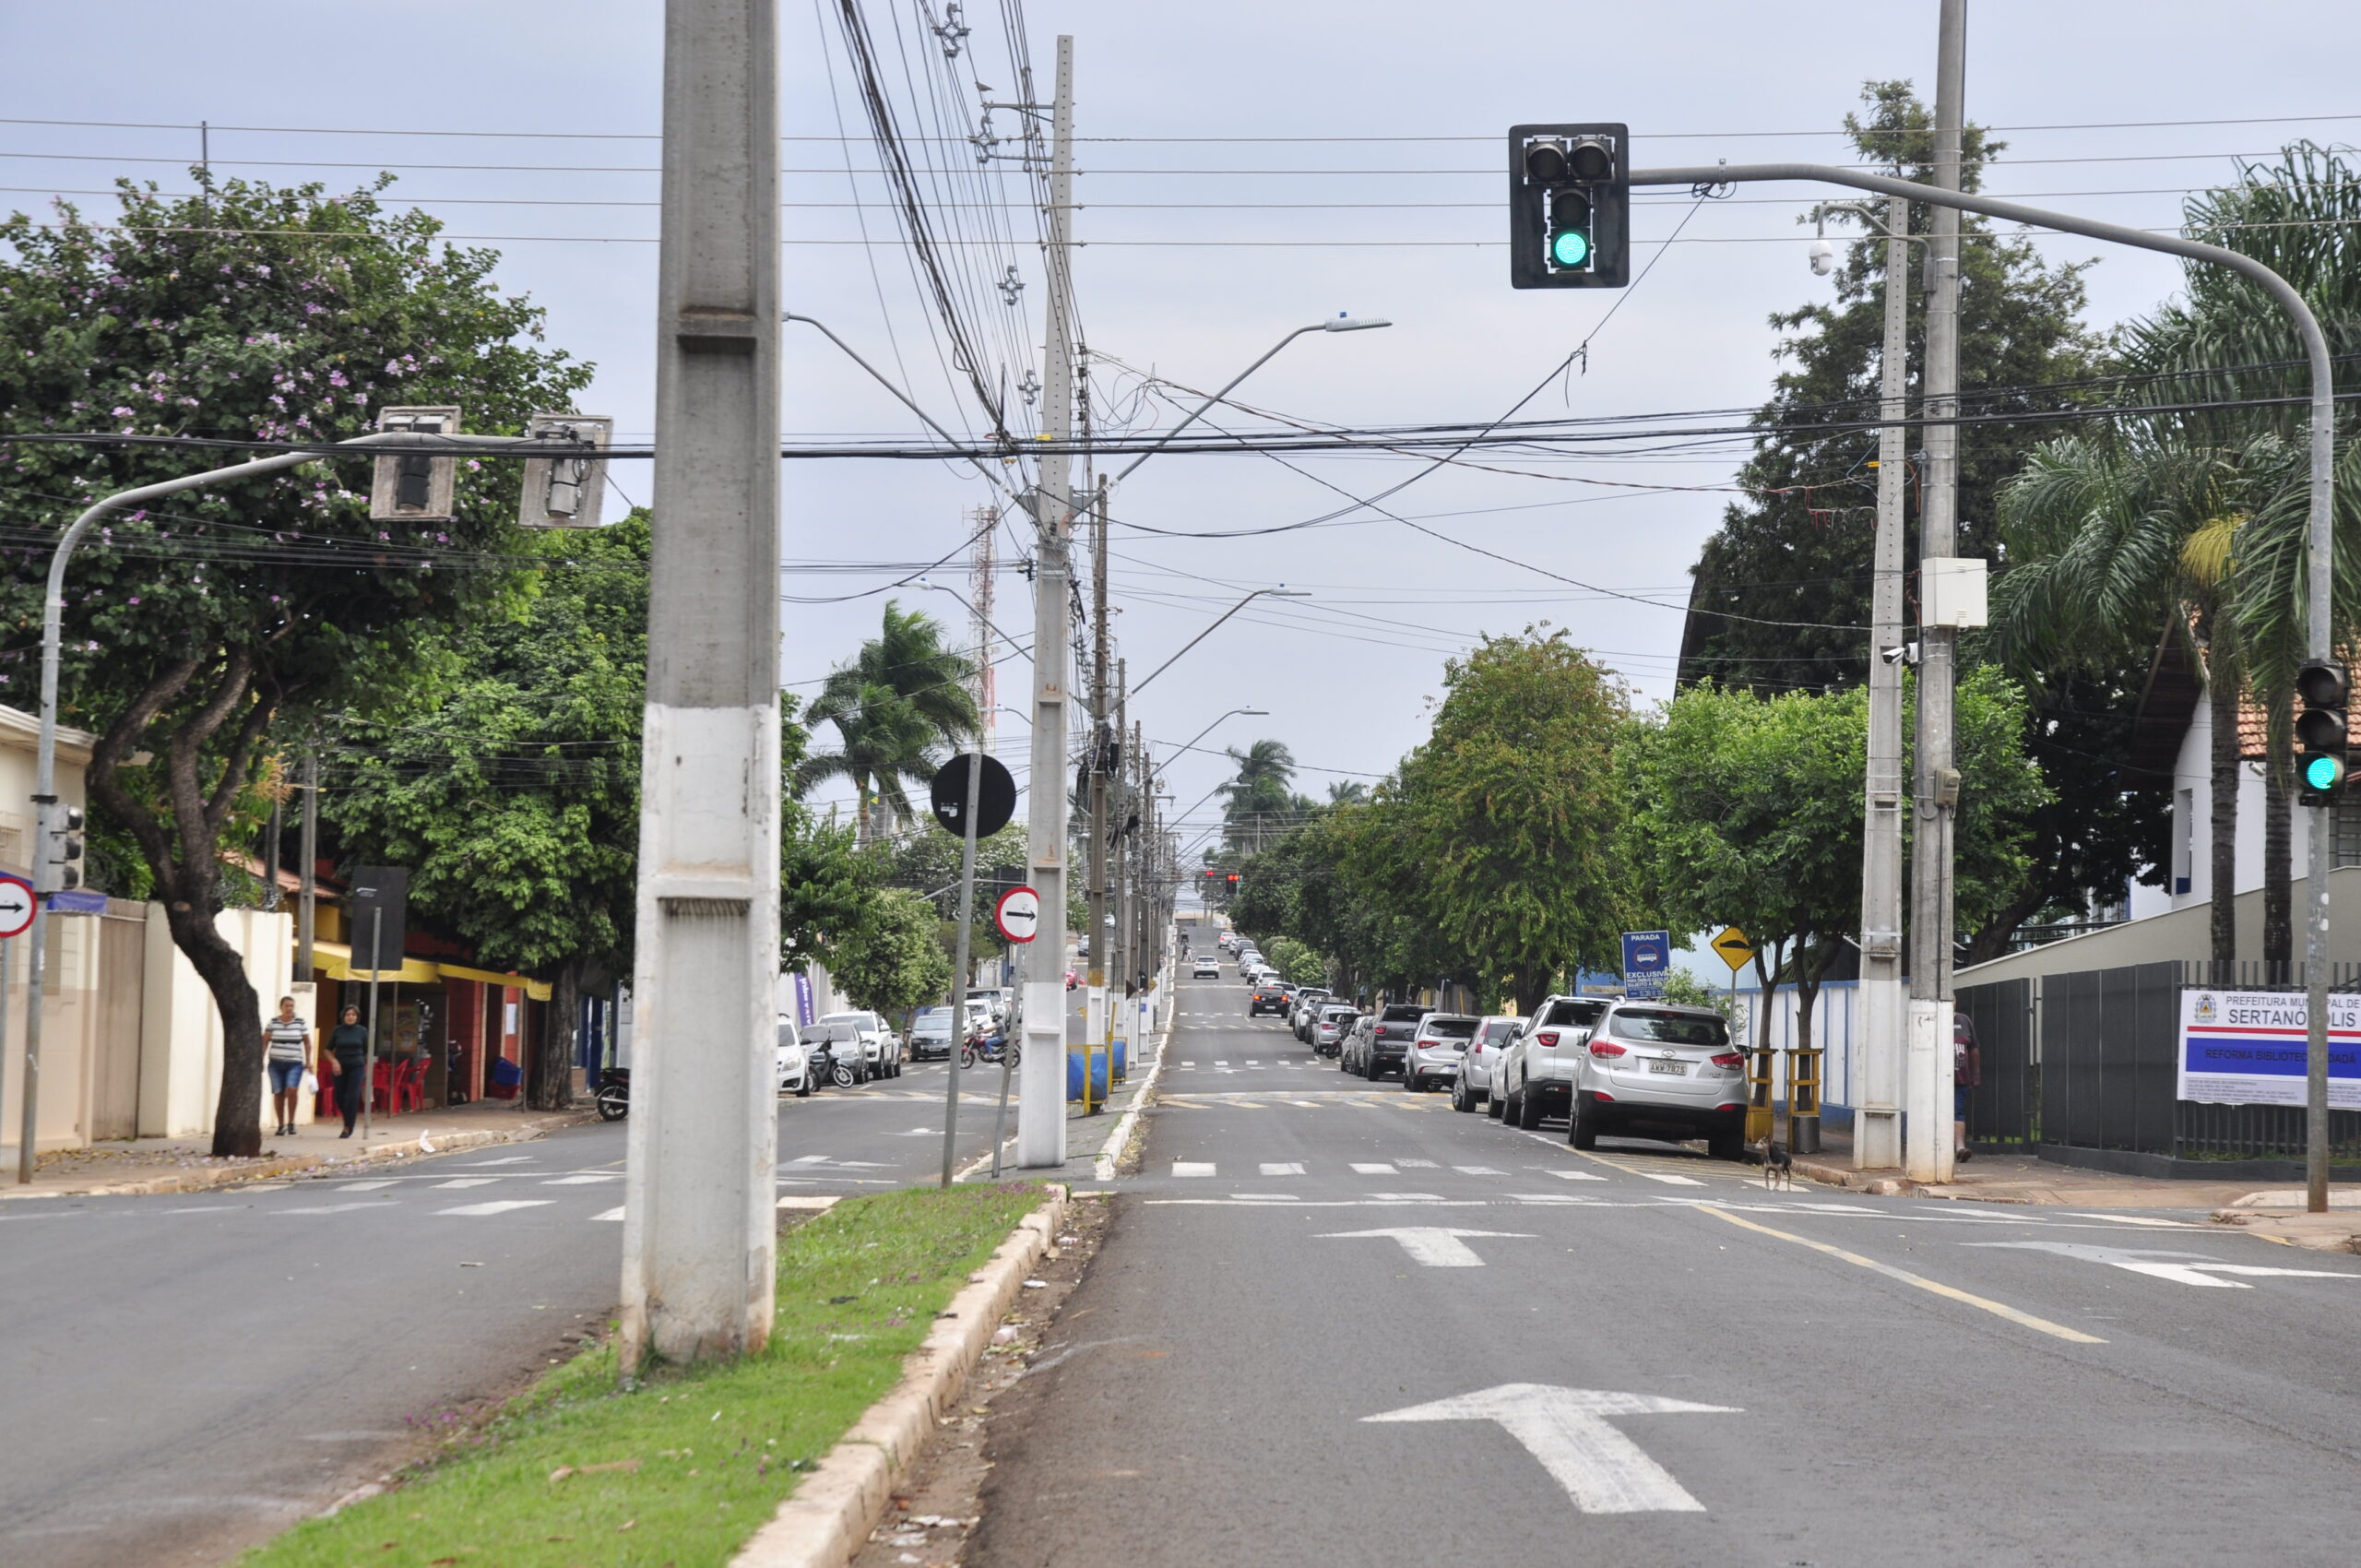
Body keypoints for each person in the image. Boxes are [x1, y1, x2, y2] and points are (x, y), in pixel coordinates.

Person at [265, 995, 312, 1137]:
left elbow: (307, 1042)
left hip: (295, 1062)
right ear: (281, 1007)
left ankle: (291, 1122)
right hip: (275, 1063)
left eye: (291, 1006)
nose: (289, 1008)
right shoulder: (273, 1022)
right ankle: (280, 1124)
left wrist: (308, 1061)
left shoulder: (300, 1022)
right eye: (286, 1005)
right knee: (278, 1092)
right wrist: (261, 1058)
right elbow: (265, 1041)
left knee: (292, 1090)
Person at [327, 1004, 372, 1138]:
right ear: (343, 1016)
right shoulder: (337, 1030)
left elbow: (367, 1050)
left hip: (356, 1066)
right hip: (340, 1067)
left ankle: (348, 1126)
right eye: (348, 1014)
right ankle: (348, 1118)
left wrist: (366, 1066)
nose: (350, 1017)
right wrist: (334, 1061)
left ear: (357, 1017)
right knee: (339, 1096)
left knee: (352, 1096)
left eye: (353, 1015)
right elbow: (327, 1049)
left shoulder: (362, 1031)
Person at [1952, 1011, 1981, 1163]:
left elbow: (1974, 1048)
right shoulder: (1932, 1016)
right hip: (1935, 1079)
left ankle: (1960, 1148)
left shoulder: (1964, 1021)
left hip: (1960, 1078)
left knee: (1957, 1111)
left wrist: (1976, 1075)